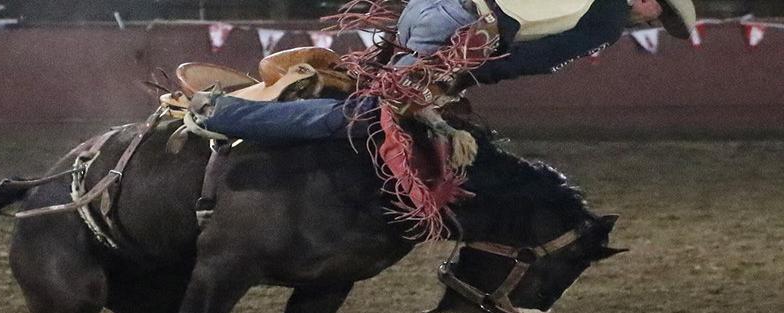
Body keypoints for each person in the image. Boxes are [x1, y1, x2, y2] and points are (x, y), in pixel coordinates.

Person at [193, 0, 697, 147]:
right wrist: (468, 73)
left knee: (364, 83)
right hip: (459, 30)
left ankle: (260, 98)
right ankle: (227, 115)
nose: (652, 21)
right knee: (366, 116)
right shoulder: (608, 18)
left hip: (429, 7)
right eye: (662, 15)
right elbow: (544, 57)